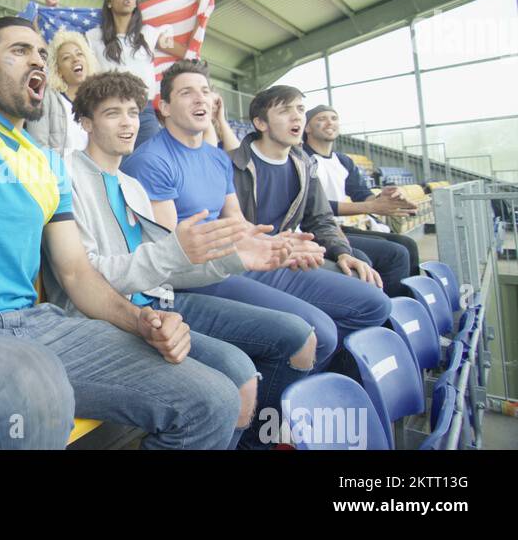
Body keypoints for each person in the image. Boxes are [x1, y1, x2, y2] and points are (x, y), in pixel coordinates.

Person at [0, 15, 245, 450]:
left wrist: (139, 320)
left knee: (212, 400)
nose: (38, 61)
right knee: (33, 392)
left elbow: (78, 275)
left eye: (42, 53)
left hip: (36, 326)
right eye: (20, 51)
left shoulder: (48, 164)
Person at [45, 70, 318, 448]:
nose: (127, 123)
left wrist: (237, 259)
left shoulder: (133, 186)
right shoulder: (67, 176)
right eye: (112, 113)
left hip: (161, 300)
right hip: (109, 315)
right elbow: (90, 275)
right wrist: (174, 253)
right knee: (237, 377)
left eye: (131, 112)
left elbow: (166, 267)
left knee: (295, 333)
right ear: (87, 123)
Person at [122, 60, 391, 366]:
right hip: (201, 274)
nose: (200, 99)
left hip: (238, 258)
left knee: (374, 304)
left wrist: (277, 245)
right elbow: (170, 255)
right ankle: (287, 398)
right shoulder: (152, 161)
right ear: (166, 108)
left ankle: (327, 384)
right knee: (322, 334)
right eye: (187, 93)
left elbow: (237, 221)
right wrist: (247, 250)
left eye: (205, 91)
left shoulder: (216, 158)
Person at [303, 104, 419, 294]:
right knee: (393, 253)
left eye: (333, 118)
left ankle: (409, 307)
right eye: (321, 119)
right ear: (307, 128)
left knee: (406, 244)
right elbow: (315, 207)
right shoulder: (303, 158)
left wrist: (387, 198)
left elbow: (362, 194)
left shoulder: (343, 160)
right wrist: (371, 206)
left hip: (338, 227)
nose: (329, 122)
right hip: (317, 228)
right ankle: (386, 311)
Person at [85, 0, 181, 148]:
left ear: (136, 2)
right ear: (109, 2)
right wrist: (53, 8)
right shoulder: (93, 36)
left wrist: (198, 13)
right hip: (109, 111)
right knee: (115, 166)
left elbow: (183, 51)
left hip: (144, 112)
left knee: (150, 163)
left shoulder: (149, 33)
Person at [25, 29, 97, 153]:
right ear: (58, 70)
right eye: (66, 58)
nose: (75, 59)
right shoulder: (44, 98)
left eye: (79, 54)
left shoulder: (99, 102)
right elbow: (37, 145)